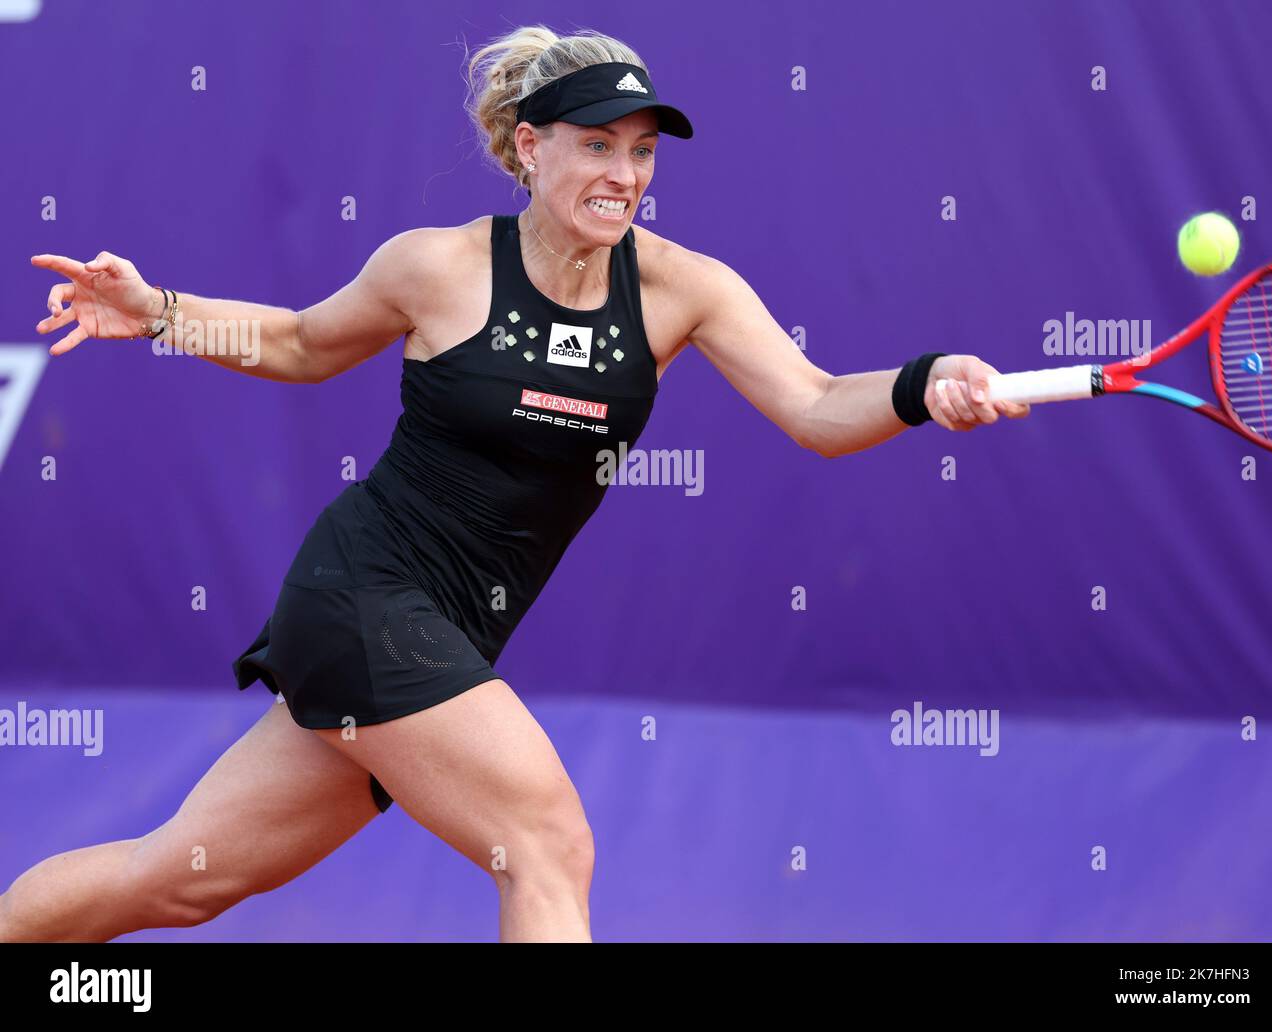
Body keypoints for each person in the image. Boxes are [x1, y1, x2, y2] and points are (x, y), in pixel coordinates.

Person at [3, 25, 1029, 944]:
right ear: (528, 148)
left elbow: (813, 408)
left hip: (448, 634)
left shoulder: (684, 289)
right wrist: (160, 311)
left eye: (640, 151)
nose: (623, 174)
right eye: (596, 145)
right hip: (362, 597)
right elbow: (301, 343)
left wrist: (919, 384)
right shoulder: (435, 267)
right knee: (545, 844)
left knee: (174, 880)